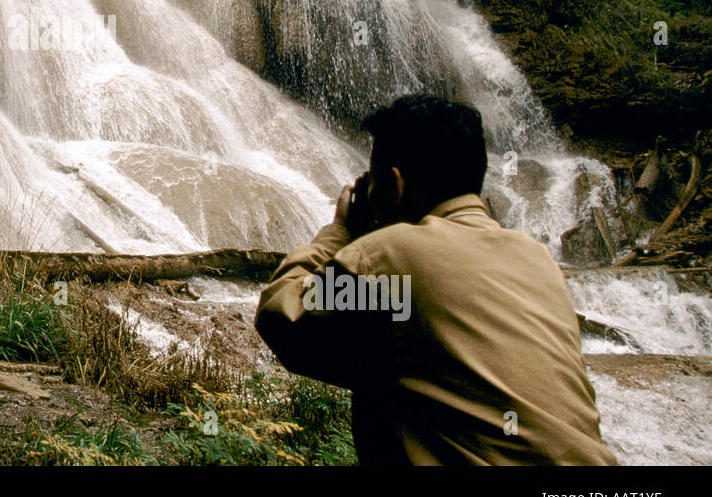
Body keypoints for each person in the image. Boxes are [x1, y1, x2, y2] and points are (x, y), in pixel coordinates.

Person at [254, 93, 617, 465]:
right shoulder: (536, 257)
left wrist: (339, 232)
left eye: (373, 181)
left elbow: (282, 316)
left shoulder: (389, 256)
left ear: (394, 184)